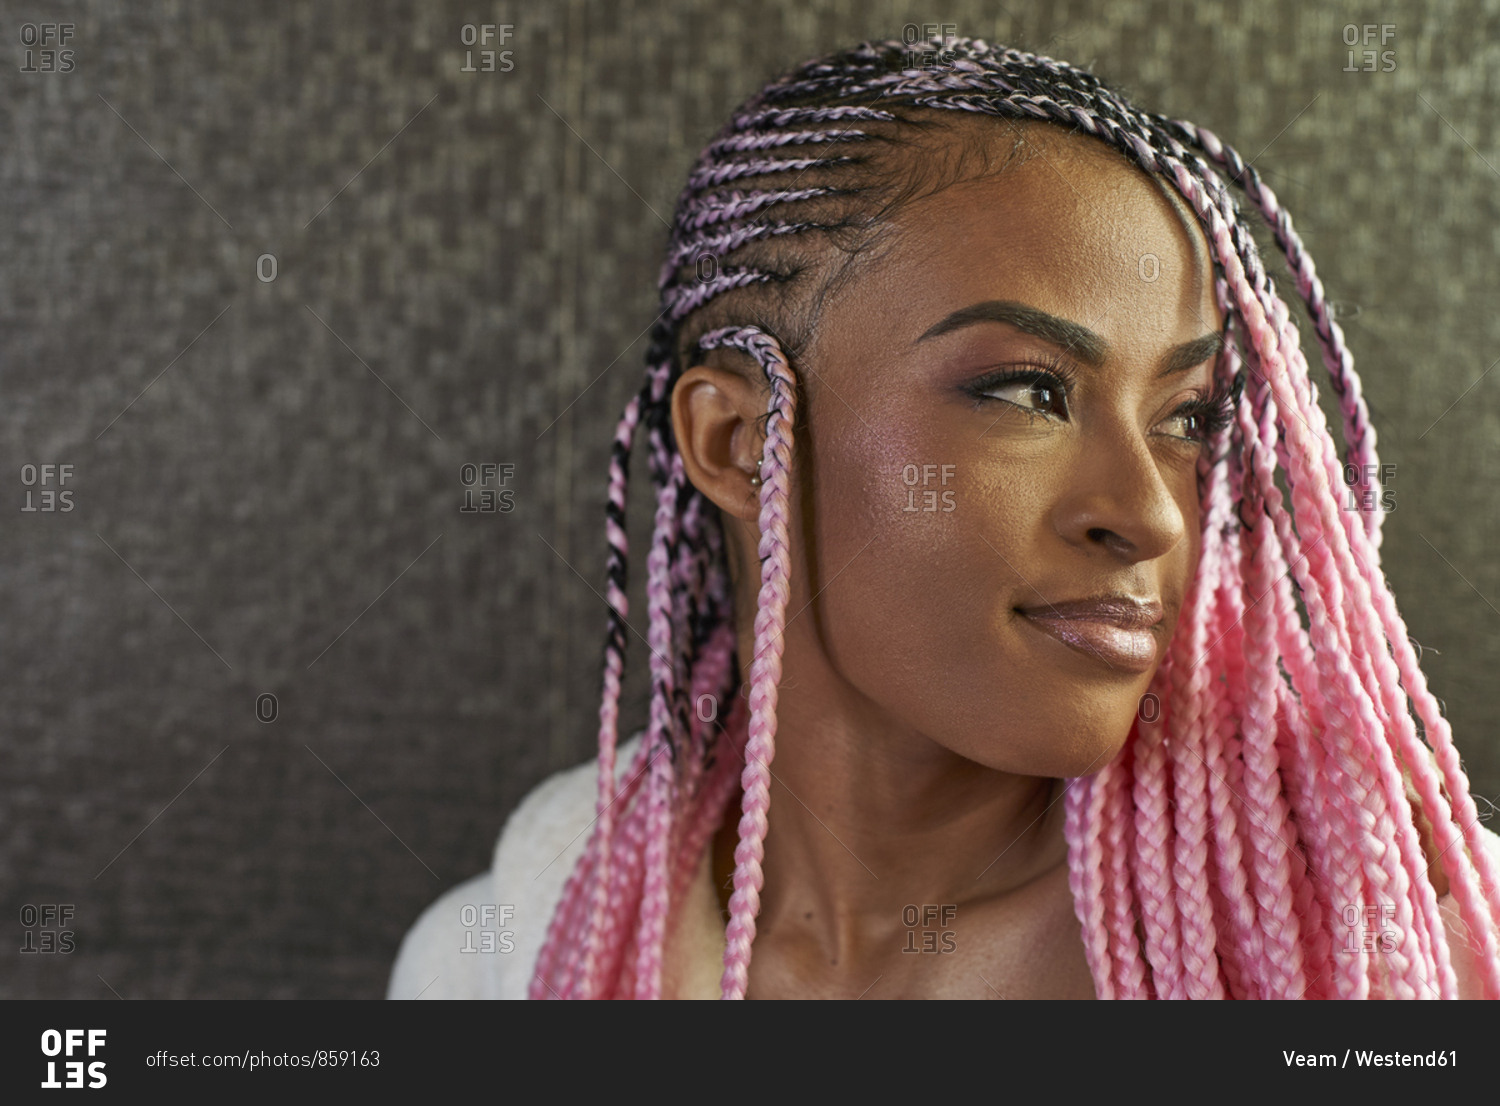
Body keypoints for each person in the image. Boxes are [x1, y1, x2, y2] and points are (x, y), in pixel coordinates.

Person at [388, 36, 1500, 1000]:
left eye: (1190, 416)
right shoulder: (500, 963)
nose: (1152, 513)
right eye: (1027, 390)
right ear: (737, 440)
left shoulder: (1381, 945)